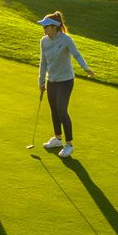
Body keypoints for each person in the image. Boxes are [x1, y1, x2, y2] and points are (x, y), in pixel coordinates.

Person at [36, 11, 95, 153]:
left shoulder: (66, 40)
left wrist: (86, 68)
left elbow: (77, 55)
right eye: (43, 26)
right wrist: (41, 81)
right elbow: (43, 62)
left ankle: (69, 144)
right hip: (52, 81)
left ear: (55, 27)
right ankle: (57, 139)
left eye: (46, 26)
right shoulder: (43, 41)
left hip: (66, 80)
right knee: (54, 111)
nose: (43, 29)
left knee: (62, 110)